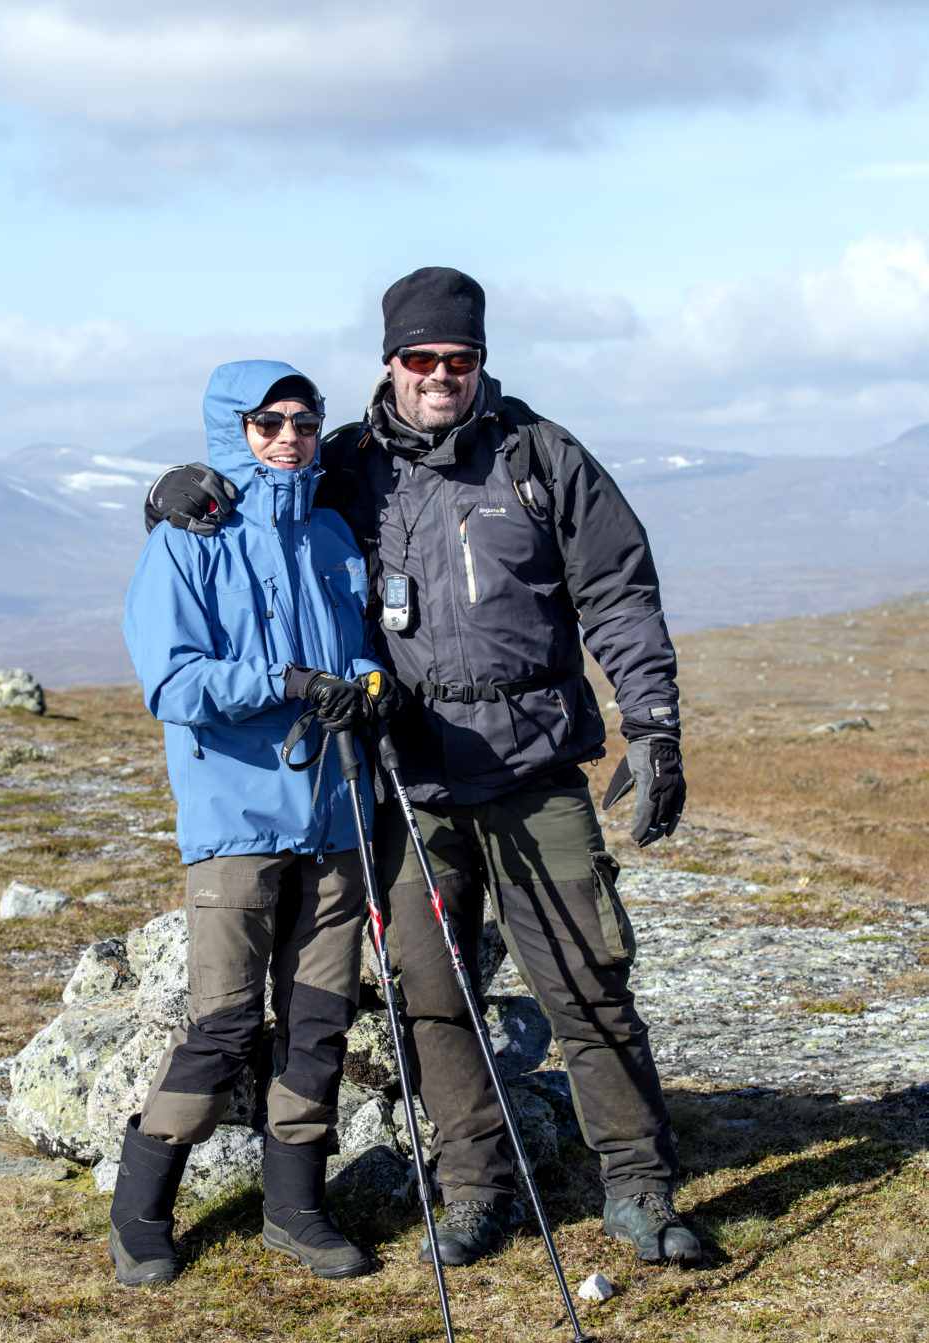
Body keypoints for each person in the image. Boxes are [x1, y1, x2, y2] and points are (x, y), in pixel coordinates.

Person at [146, 270, 700, 1269]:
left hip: (531, 774)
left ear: (481, 362)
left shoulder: (540, 456)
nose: (441, 375)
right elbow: (254, 514)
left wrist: (651, 725)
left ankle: (640, 1185)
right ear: (390, 364)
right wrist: (170, 490)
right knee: (430, 993)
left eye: (460, 359)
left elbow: (619, 591)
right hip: (404, 784)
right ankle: (474, 1189)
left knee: (586, 980)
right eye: (421, 358)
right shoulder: (347, 465)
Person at [110, 359, 387, 1288]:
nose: (289, 438)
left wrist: (362, 687)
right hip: (235, 821)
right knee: (224, 1026)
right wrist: (284, 684)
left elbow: (360, 647)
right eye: (267, 423)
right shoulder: (186, 543)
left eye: (304, 423)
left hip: (337, 815)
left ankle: (297, 1210)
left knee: (318, 1023)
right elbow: (173, 683)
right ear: (233, 430)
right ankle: (141, 1212)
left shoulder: (333, 532)